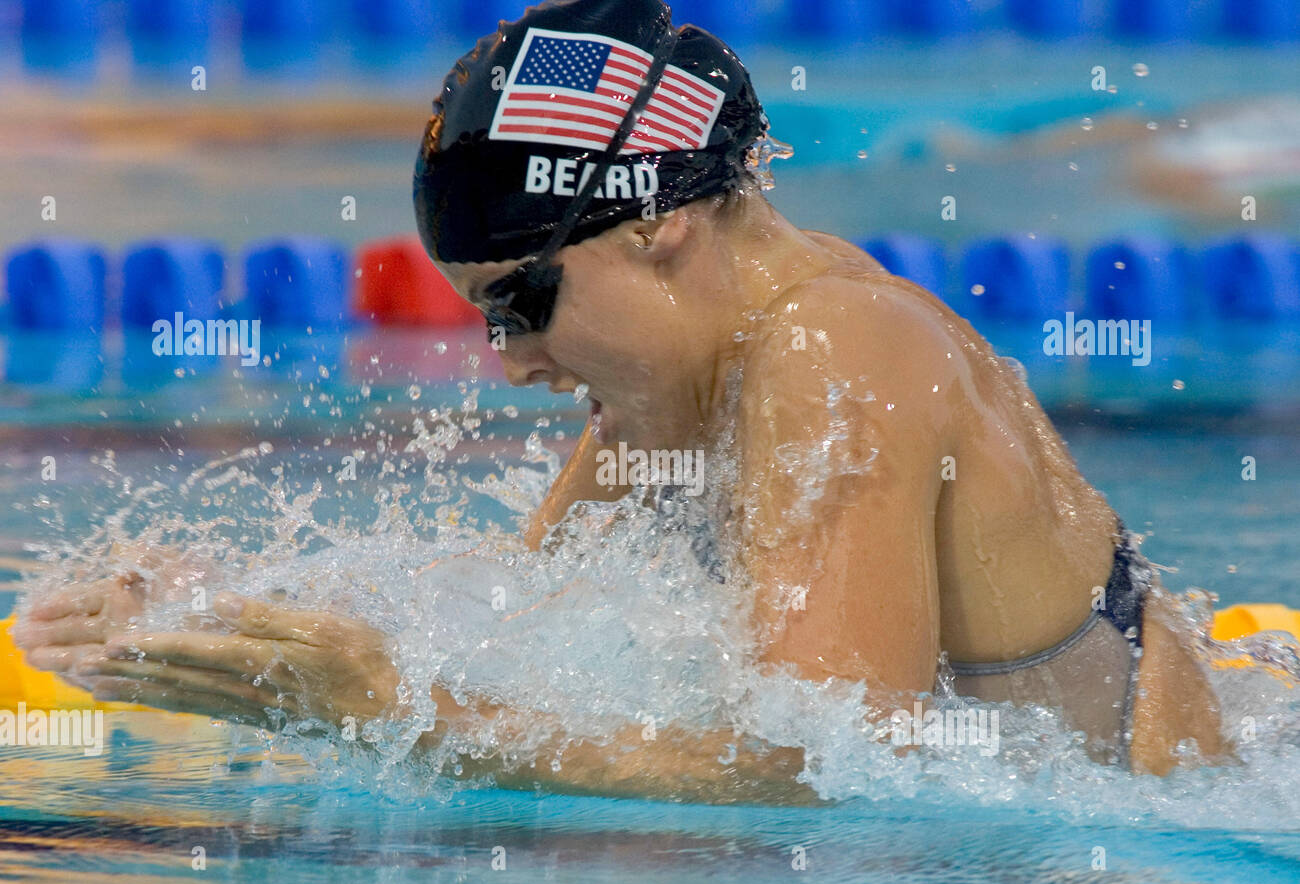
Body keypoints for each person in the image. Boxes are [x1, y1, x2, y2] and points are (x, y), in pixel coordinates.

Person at [11, 0, 1226, 803]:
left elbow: (835, 765)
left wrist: (405, 713)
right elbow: (528, 621)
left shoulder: (835, 344)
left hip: (1138, 872)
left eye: (520, 301)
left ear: (655, 223)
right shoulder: (695, 382)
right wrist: (227, 628)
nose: (506, 362)